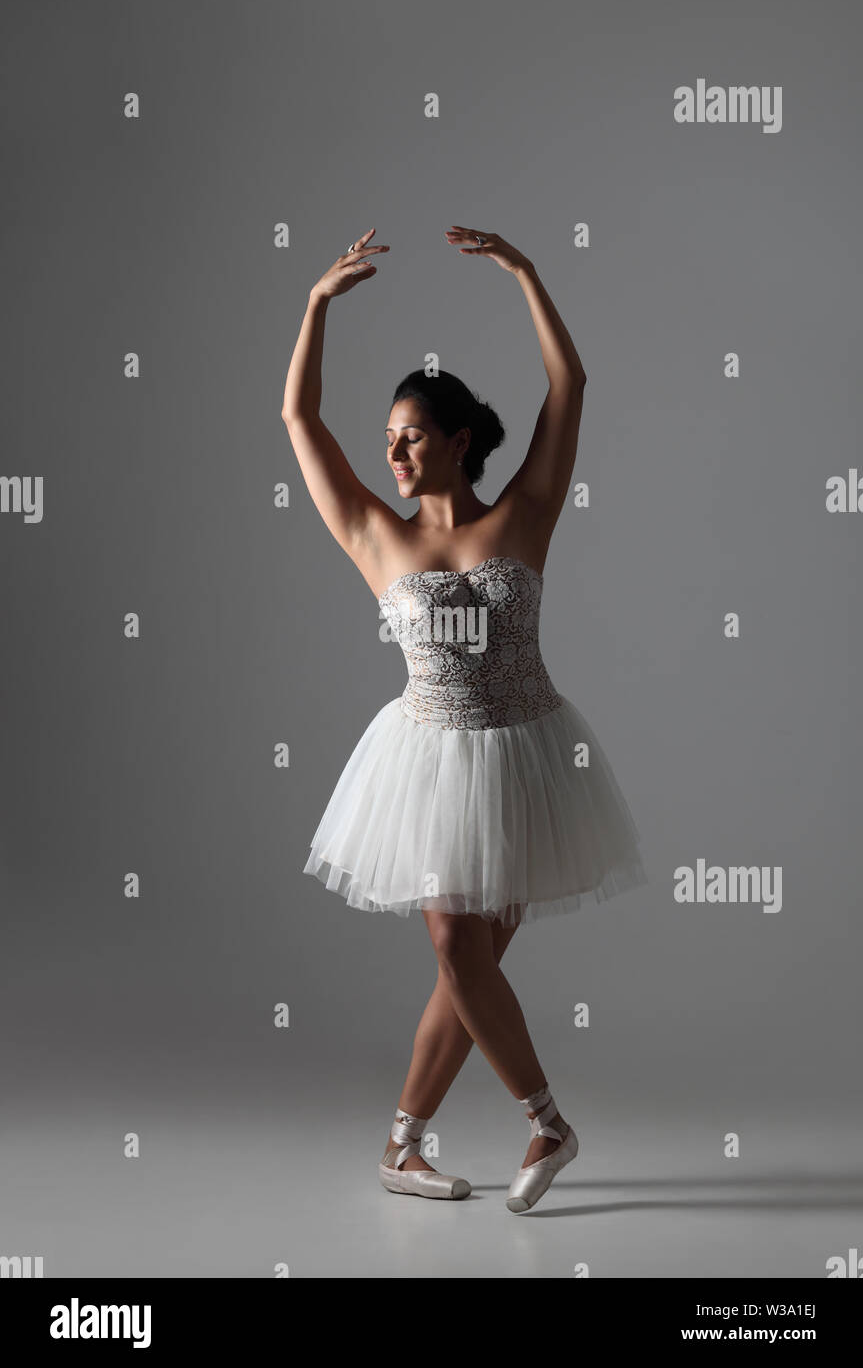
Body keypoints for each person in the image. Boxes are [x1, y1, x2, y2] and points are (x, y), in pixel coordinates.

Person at [281, 225, 647, 1212]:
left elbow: (567, 386)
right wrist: (316, 307)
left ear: (456, 440)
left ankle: (400, 1144)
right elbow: (297, 418)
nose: (391, 450)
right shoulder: (372, 534)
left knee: (466, 967)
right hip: (428, 758)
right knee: (455, 946)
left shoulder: (520, 513)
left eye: (409, 433)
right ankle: (546, 1119)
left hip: (526, 755)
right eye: (386, 437)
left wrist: (524, 274)